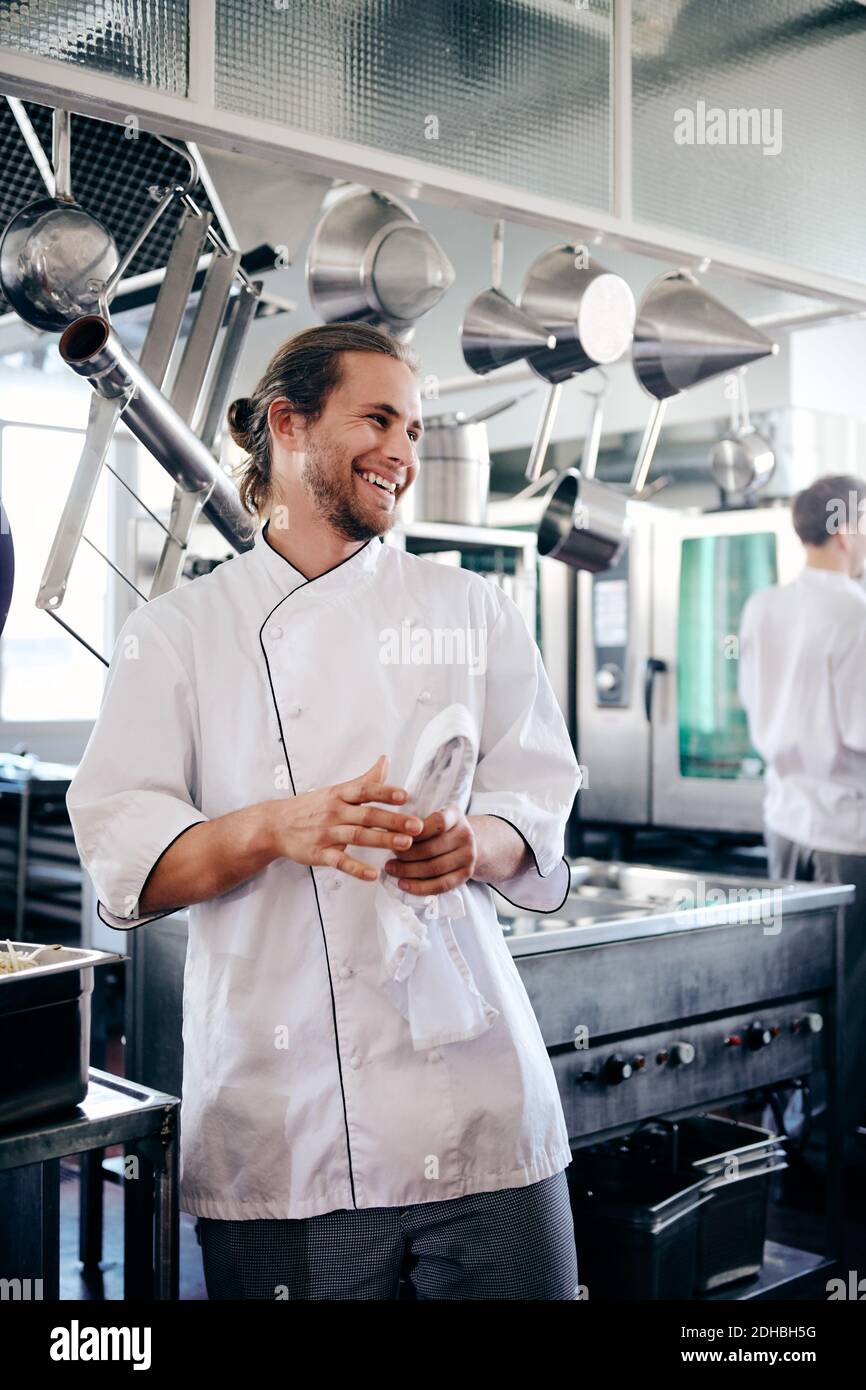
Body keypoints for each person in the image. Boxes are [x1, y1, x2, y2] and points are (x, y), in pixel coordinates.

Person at [66, 322, 582, 1300]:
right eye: (377, 418)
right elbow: (125, 862)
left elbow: (539, 805)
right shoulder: (178, 633)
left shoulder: (472, 611)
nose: (402, 451)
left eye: (417, 430)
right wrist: (272, 826)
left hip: (471, 1091)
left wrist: (475, 842)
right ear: (288, 424)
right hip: (285, 1112)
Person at [738, 473, 866, 1159]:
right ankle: (833, 1150)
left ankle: (794, 1137)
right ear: (846, 527)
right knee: (850, 1001)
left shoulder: (764, 606)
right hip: (850, 831)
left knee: (794, 988)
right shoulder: (854, 612)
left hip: (784, 822)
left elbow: (757, 709)